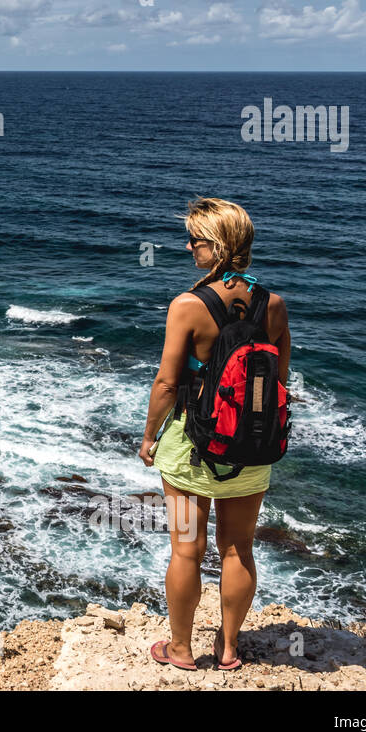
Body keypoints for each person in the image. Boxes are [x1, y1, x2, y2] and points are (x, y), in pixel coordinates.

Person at [137, 197, 290, 671]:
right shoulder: (274, 304)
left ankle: (180, 650)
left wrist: (148, 437)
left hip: (192, 445)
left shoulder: (188, 305)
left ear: (219, 246)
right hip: (252, 444)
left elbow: (167, 382)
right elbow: (279, 378)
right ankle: (228, 648)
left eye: (196, 241)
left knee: (186, 548)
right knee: (238, 547)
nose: (189, 248)